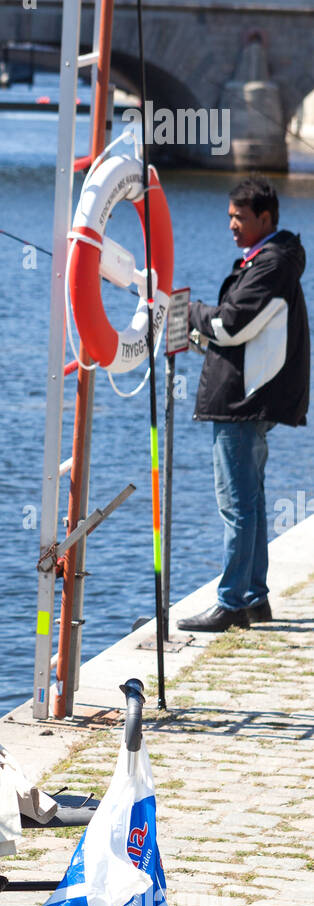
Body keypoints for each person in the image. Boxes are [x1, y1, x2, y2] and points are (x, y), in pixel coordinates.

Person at [179, 177, 309, 633]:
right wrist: (201, 331)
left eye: (240, 218)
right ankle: (254, 597)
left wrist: (186, 312)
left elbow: (230, 325)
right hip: (251, 397)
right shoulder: (274, 260)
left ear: (266, 219)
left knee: (237, 504)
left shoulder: (270, 264)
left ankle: (231, 601)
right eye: (230, 217)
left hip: (241, 400)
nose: (232, 226)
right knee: (250, 499)